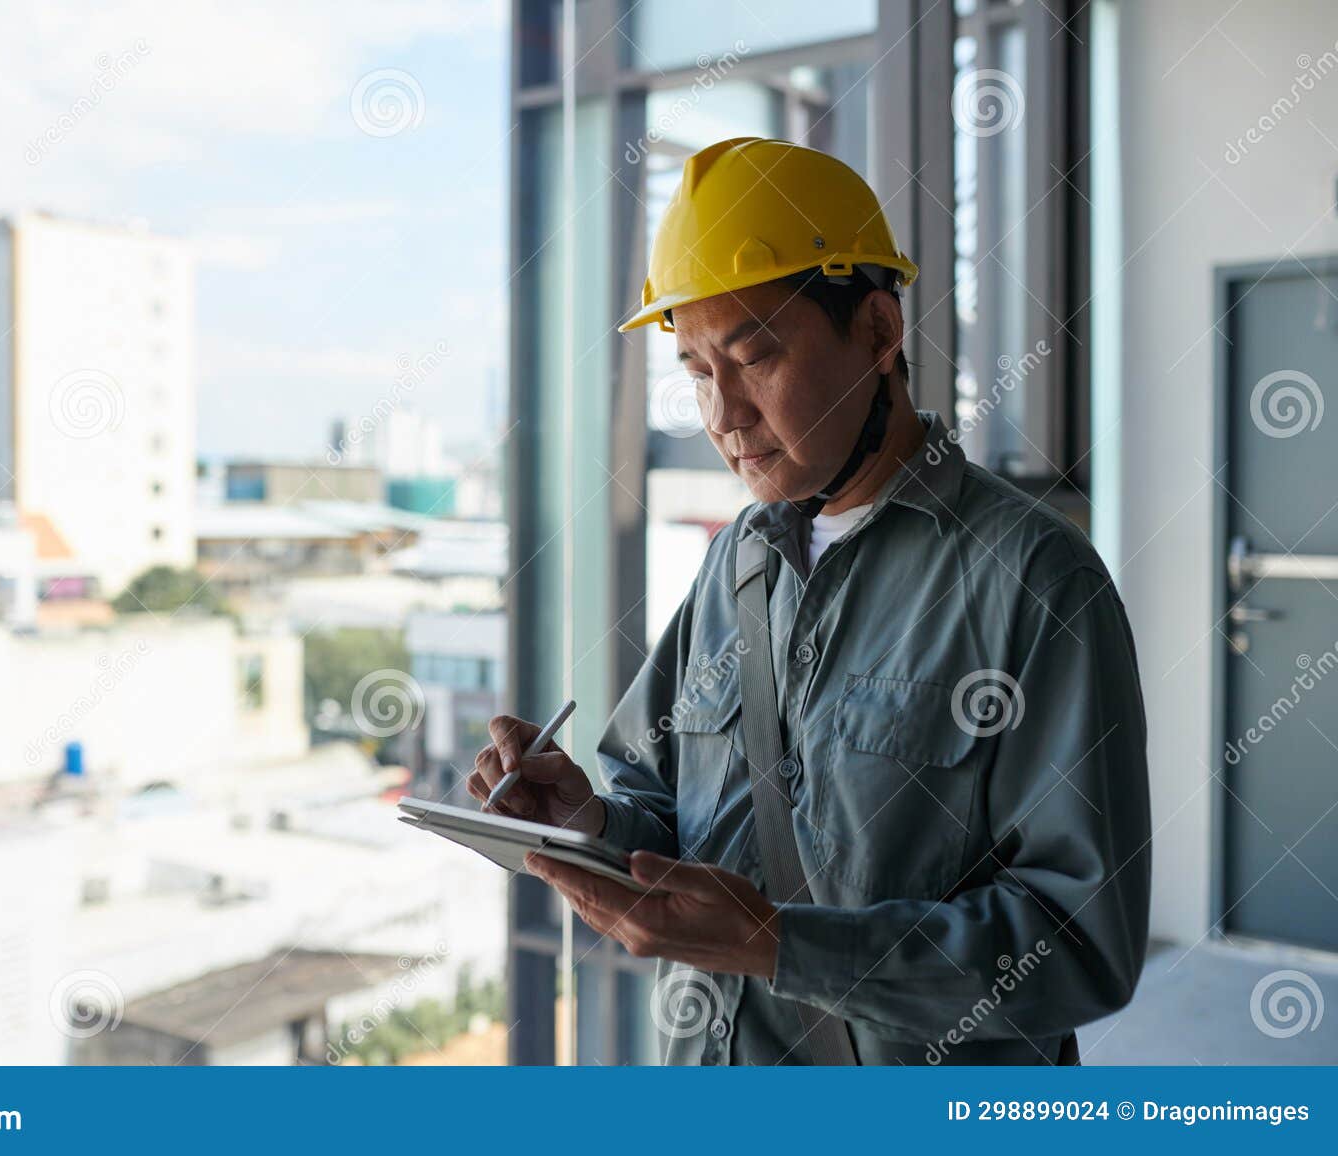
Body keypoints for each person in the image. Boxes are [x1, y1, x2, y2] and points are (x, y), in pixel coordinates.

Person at [469, 136, 1151, 1066]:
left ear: (878, 332)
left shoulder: (1034, 582)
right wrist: (585, 820)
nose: (723, 416)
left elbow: (1080, 945)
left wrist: (784, 946)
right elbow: (661, 809)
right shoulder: (737, 565)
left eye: (754, 360)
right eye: (700, 375)